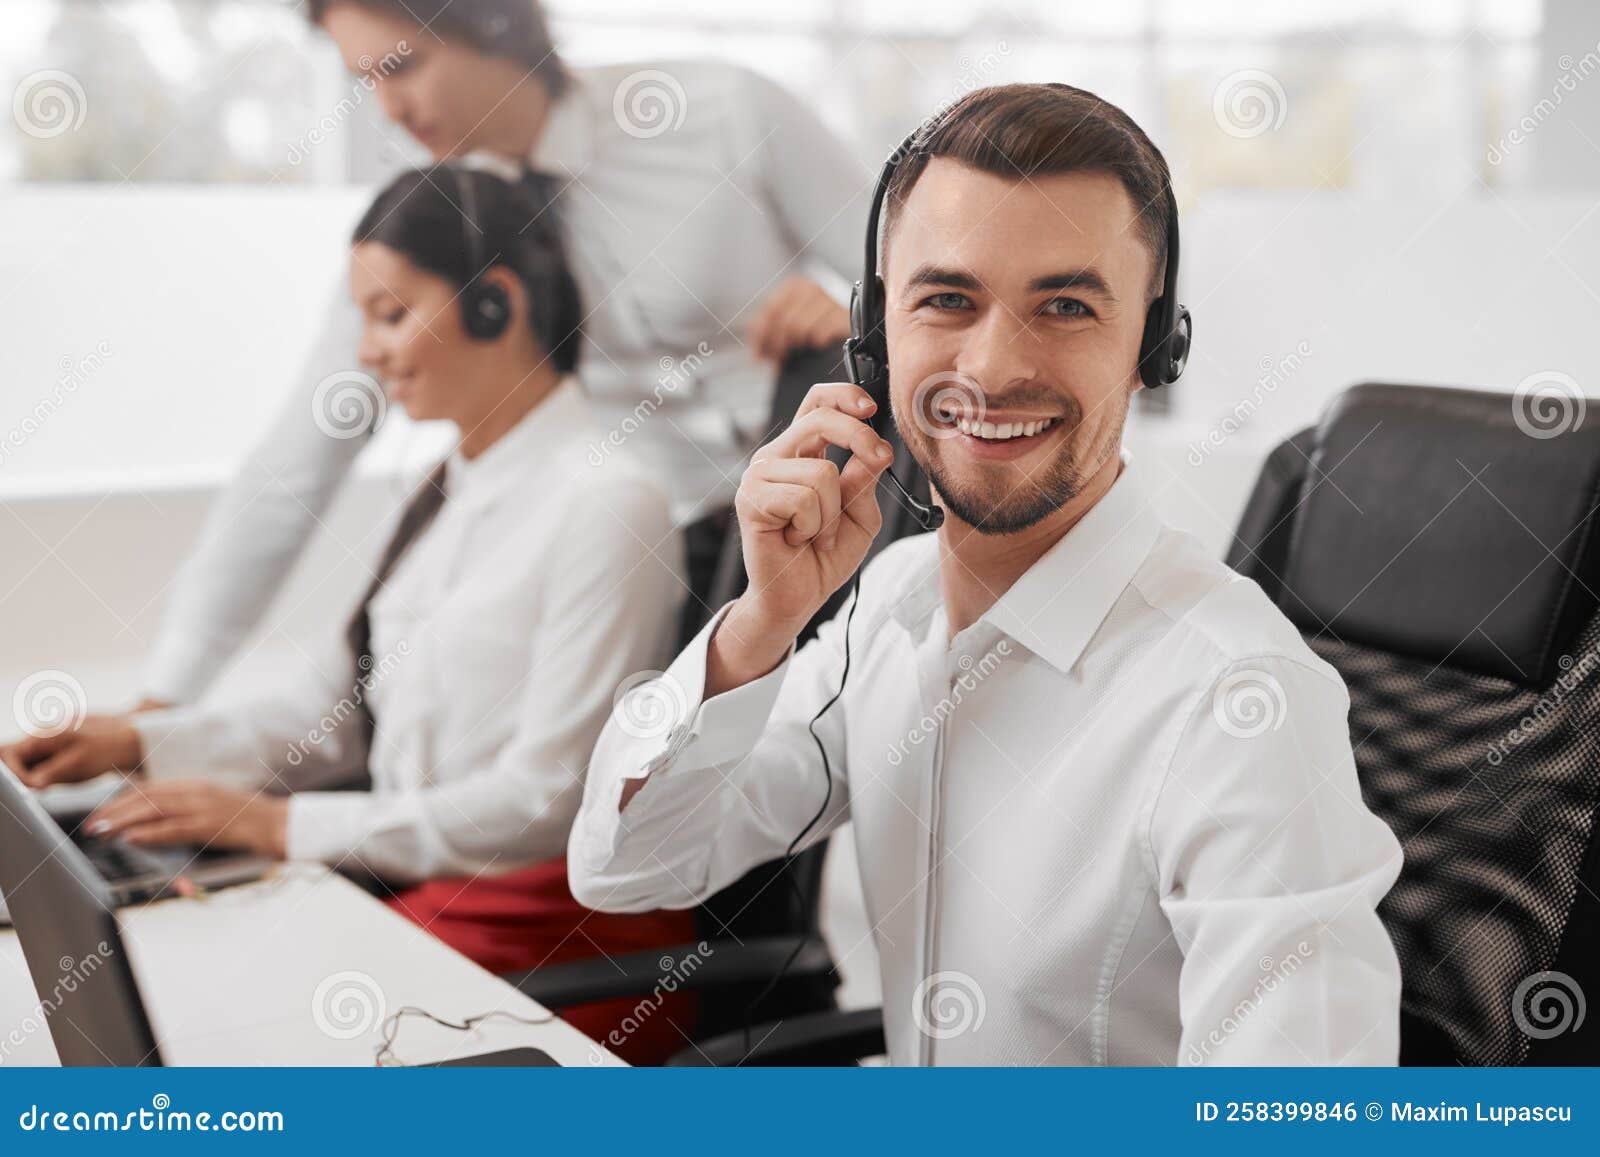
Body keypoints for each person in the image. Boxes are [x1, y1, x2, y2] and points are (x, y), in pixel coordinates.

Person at [566, 84, 1406, 1066]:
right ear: (874, 339)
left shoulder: (1234, 701)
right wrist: (761, 622)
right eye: (947, 299)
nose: (994, 363)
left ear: (1152, 346)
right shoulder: (892, 603)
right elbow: (626, 867)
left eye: (1064, 304)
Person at [2, 167, 695, 1064]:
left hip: (550, 930)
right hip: (430, 892)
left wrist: (279, 826)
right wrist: (139, 742)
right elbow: (333, 709)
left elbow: (547, 800)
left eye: (391, 312)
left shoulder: (609, 501)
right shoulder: (446, 491)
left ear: (495, 305)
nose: (367, 350)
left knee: (247, 1043)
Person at [138, 0, 872, 708]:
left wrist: (854, 313)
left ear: (491, 20)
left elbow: (933, 287)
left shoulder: (724, 111)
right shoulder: (435, 230)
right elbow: (297, 461)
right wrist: (167, 695)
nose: (388, 110)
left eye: (402, 66)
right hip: (652, 574)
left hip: (835, 524)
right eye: (367, 82)